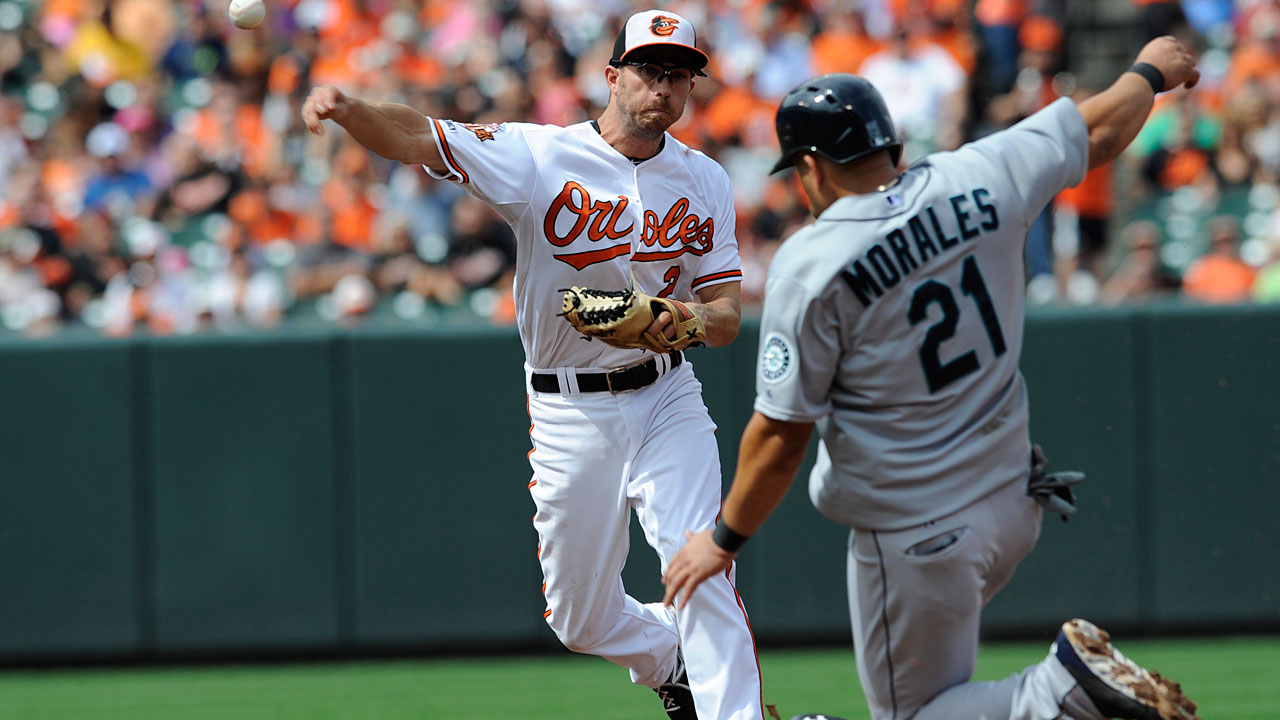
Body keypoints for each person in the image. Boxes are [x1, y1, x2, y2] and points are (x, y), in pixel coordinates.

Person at [663, 37, 1204, 720]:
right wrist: (1150, 71)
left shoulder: (812, 261)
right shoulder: (980, 171)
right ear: (889, 142)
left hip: (918, 535)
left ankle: (1058, 691)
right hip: (1014, 500)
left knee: (916, 716)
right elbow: (1098, 127)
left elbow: (780, 434)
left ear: (810, 169)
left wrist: (722, 539)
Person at [301, 10, 762, 720]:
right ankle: (667, 660)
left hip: (667, 397)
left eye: (679, 75)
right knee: (579, 620)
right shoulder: (540, 155)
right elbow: (417, 135)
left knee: (698, 566)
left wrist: (680, 320)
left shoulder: (705, 179)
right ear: (611, 76)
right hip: (568, 403)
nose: (663, 87)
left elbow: (727, 315)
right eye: (648, 69)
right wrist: (351, 110)